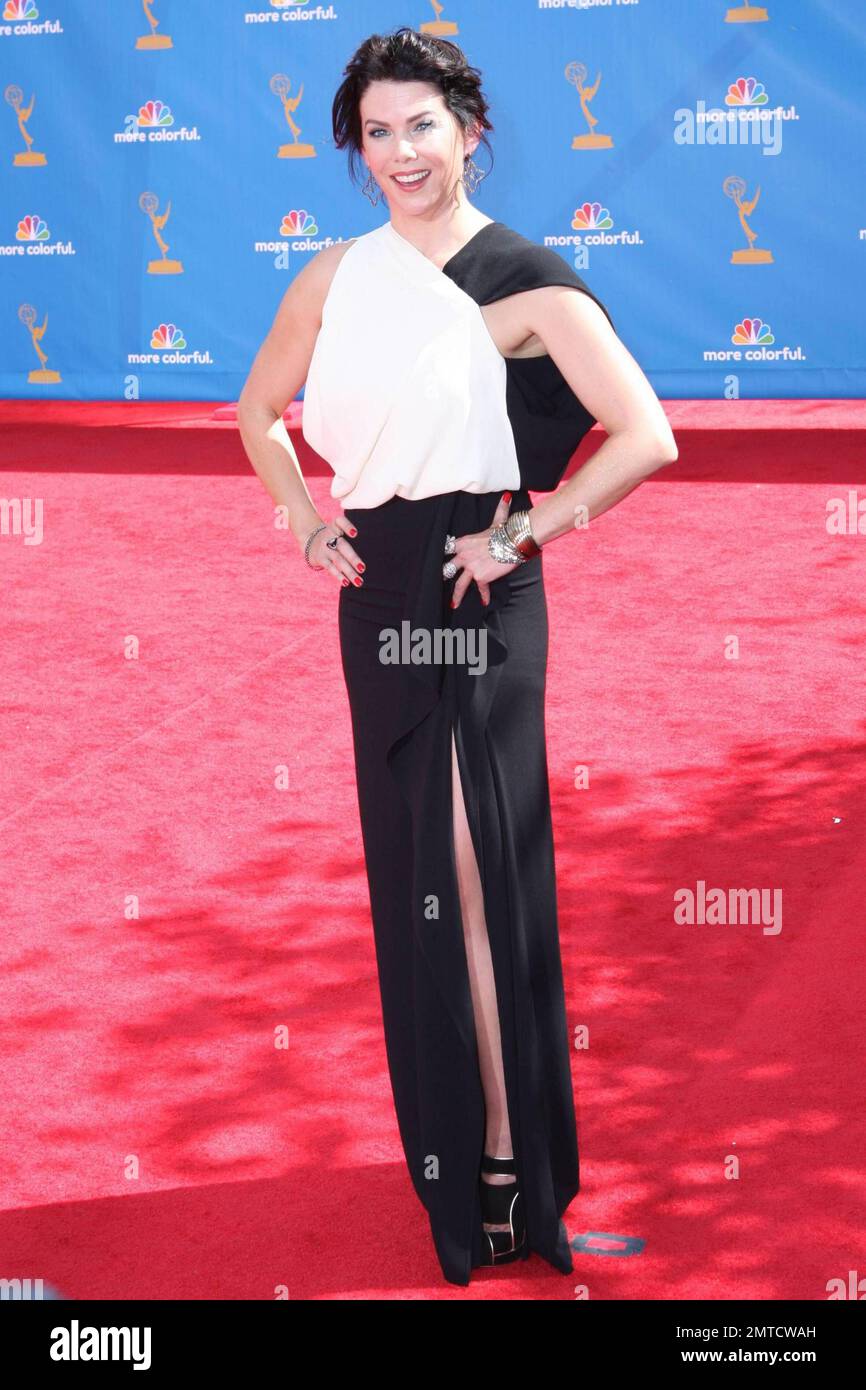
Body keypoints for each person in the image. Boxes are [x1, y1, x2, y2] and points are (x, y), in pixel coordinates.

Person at [238, 26, 677, 1287]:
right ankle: (466, 1146)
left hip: (480, 591)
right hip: (378, 592)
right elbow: (258, 415)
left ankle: (504, 1159)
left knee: (478, 869)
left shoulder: (523, 278)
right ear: (355, 146)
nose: (400, 152)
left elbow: (643, 435)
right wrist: (305, 522)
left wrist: (530, 527)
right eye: (376, 132)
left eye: (420, 125)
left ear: (467, 130)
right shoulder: (334, 276)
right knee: (418, 869)